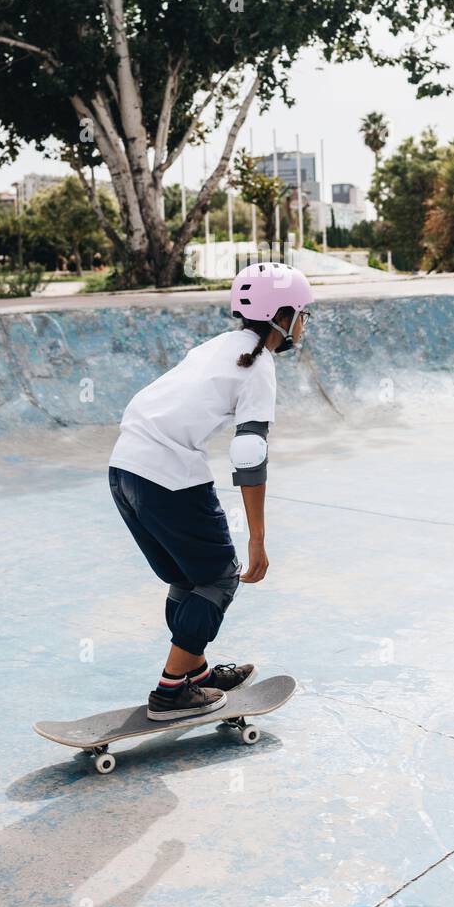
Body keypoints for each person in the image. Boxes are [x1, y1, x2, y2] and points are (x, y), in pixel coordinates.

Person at [108, 261, 314, 720]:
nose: (304, 323)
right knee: (219, 577)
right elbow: (249, 455)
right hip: (166, 475)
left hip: (124, 469)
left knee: (188, 578)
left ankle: (194, 673)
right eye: (303, 313)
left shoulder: (221, 345)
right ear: (282, 315)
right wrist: (257, 538)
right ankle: (170, 691)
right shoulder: (259, 364)